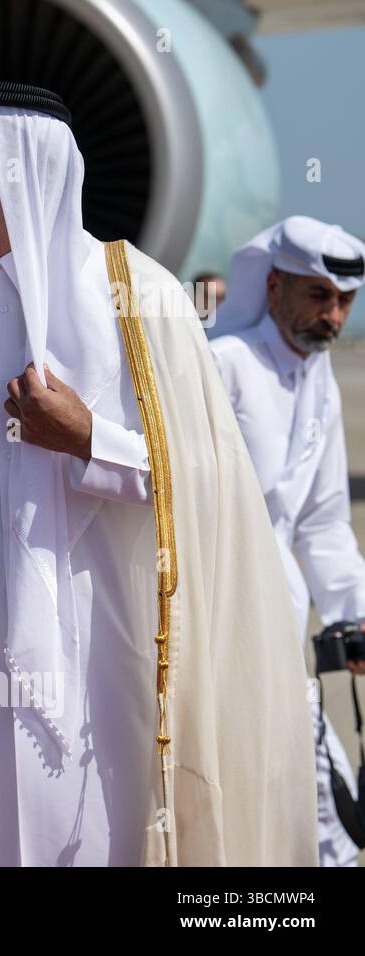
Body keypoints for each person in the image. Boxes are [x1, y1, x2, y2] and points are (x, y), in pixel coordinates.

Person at [0, 82, 316, 866]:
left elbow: (214, 488)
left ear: (29, 165)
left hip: (97, 664)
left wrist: (91, 441)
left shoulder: (136, 299)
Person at [208, 215, 365, 867]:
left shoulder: (318, 380)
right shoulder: (224, 366)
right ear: (273, 287)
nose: (334, 317)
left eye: (346, 302)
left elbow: (323, 520)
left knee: (321, 818)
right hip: (214, 628)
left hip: (282, 626)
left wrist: (352, 614)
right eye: (318, 297)